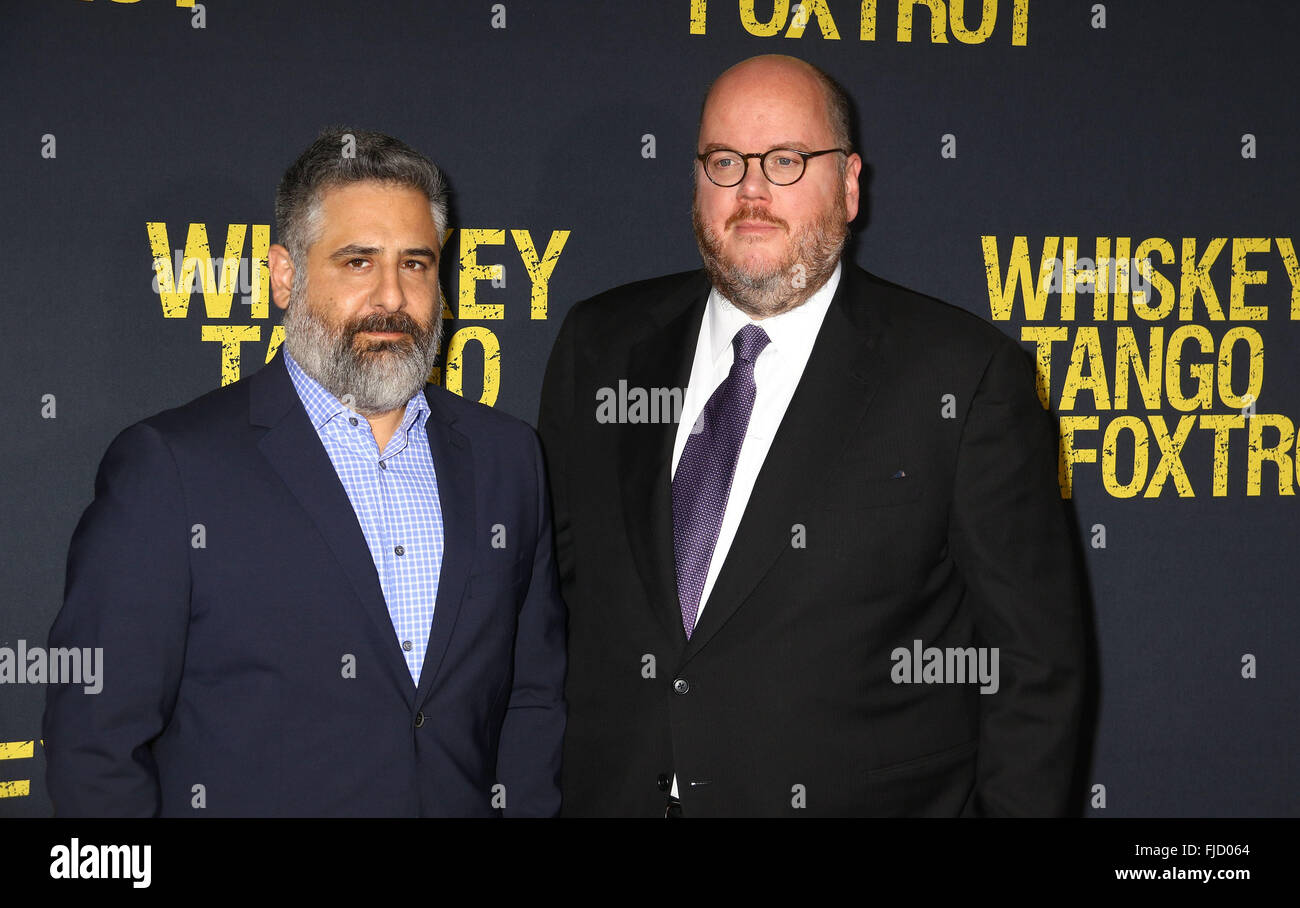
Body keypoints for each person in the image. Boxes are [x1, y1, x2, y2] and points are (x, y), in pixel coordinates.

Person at [538, 55, 1086, 817]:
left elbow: (1034, 666)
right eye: (725, 162)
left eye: (787, 160)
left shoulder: (963, 378)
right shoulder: (599, 346)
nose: (752, 190)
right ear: (695, 181)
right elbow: (549, 608)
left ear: (851, 185)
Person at [43, 128, 565, 817]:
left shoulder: (507, 459)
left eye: (415, 263)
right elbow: (95, 749)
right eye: (357, 262)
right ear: (285, 275)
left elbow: (532, 699)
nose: (392, 296)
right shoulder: (171, 468)